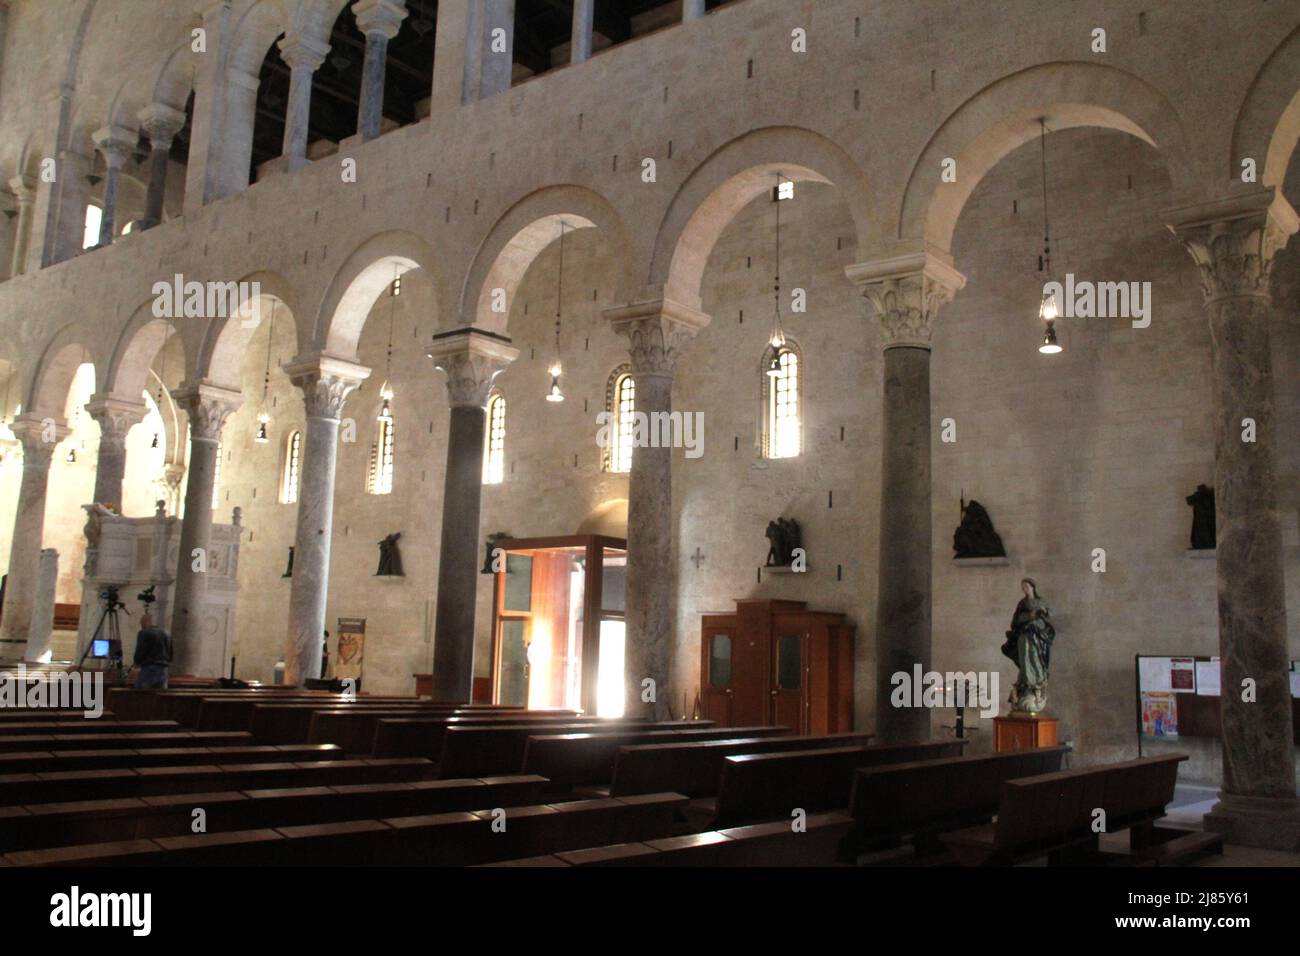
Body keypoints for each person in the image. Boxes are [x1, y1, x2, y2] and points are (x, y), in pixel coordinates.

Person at [1000, 578, 1056, 713]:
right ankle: (1026, 681)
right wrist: (1027, 616)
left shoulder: (1041, 601)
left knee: (1036, 658)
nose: (1025, 589)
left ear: (1033, 587)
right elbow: (1015, 621)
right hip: (1024, 635)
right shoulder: (1022, 603)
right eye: (1023, 587)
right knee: (1025, 658)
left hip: (1038, 636)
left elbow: (1049, 616)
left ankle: (1037, 682)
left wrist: (1042, 613)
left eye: (1027, 586)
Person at [132, 613, 174, 689]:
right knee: (159, 696)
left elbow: (140, 650)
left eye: (142, 623)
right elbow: (170, 654)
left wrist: (136, 662)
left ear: (146, 621)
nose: (142, 626)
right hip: (164, 670)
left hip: (149, 669)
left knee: (142, 695)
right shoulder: (167, 634)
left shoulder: (144, 633)